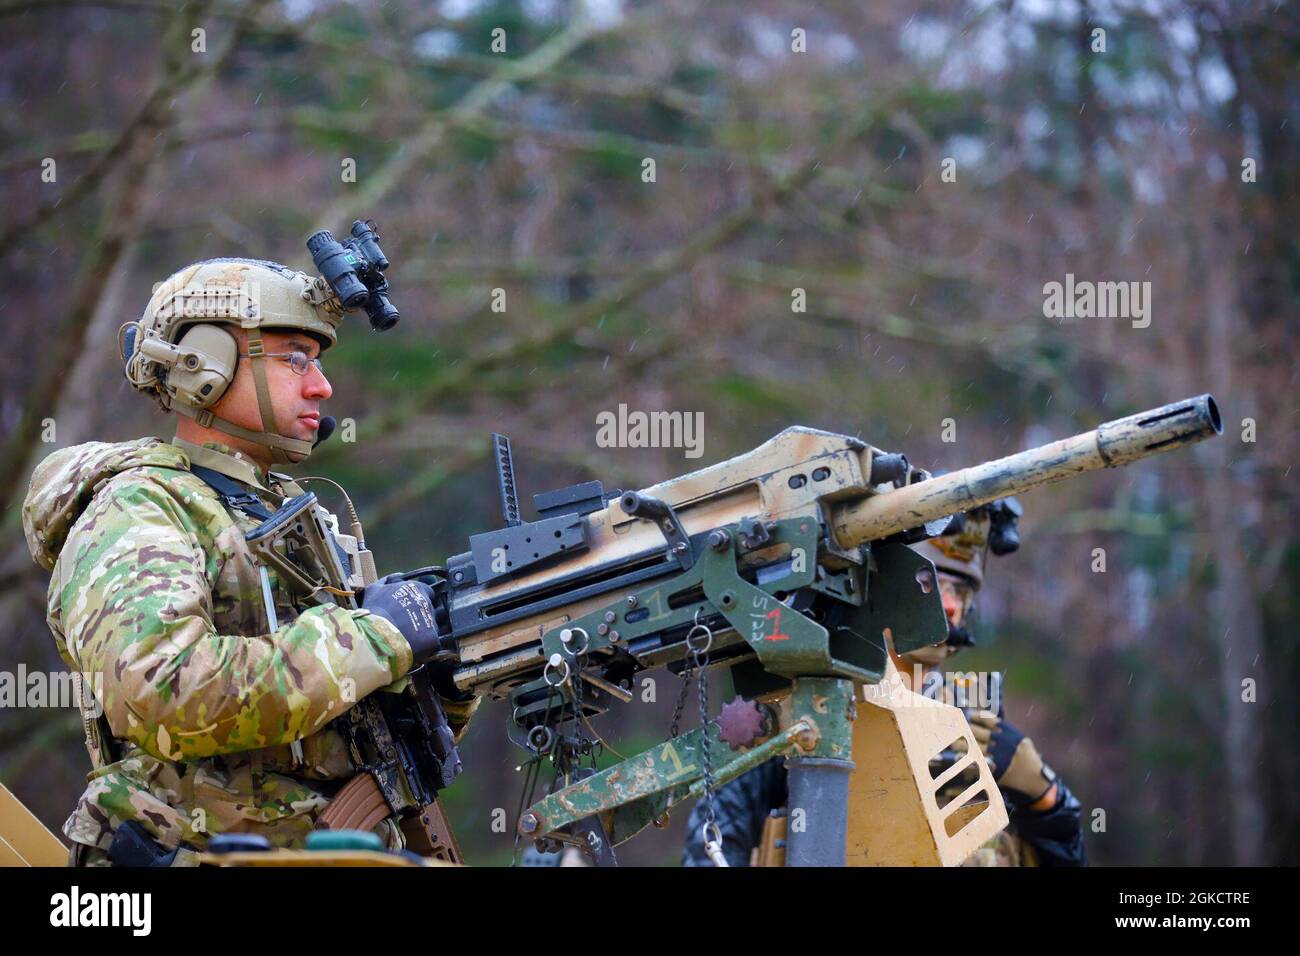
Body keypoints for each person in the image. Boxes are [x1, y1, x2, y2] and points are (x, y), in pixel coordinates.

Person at [22, 256, 474, 865]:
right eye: (294, 358)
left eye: (318, 361)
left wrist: (440, 682)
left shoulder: (296, 517)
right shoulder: (140, 508)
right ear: (203, 363)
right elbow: (163, 693)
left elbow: (346, 728)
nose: (321, 385)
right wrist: (375, 637)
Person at [681, 498, 1086, 867]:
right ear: (889, 589)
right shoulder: (812, 704)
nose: (949, 604)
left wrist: (1046, 800)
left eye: (960, 592)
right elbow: (713, 841)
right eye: (934, 584)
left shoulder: (979, 731)